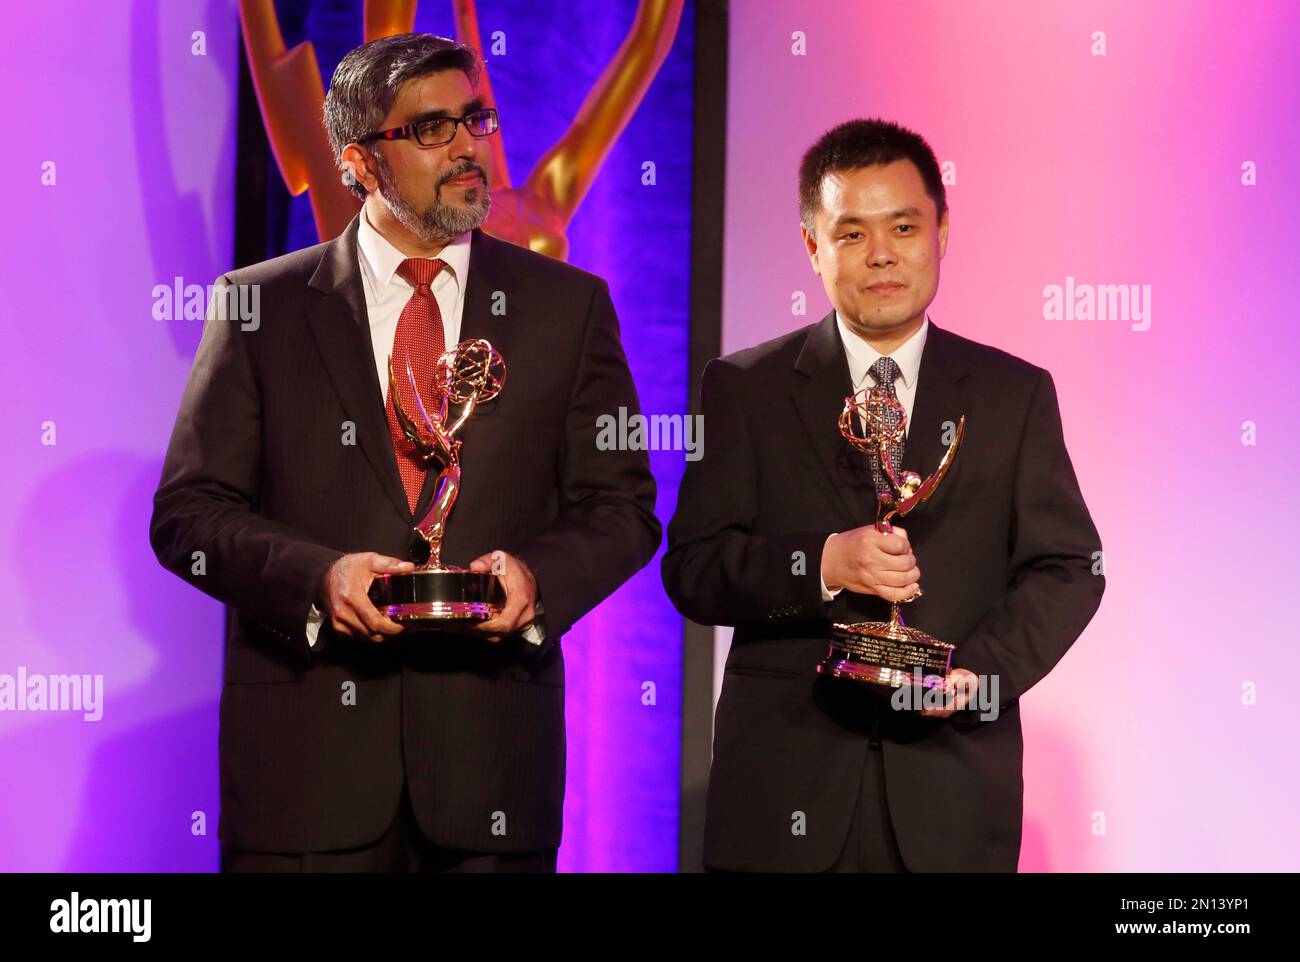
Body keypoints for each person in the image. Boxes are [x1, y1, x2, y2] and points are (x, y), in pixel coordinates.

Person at [150, 33, 660, 872]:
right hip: (305, 785)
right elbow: (189, 517)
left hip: (492, 780)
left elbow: (624, 509)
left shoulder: (568, 308)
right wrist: (318, 579)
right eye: (431, 130)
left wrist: (539, 582)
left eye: (476, 120)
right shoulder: (259, 307)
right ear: (359, 160)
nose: (470, 147)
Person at [662, 118, 1104, 872]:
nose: (881, 256)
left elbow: (1068, 567)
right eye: (851, 234)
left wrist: (978, 675)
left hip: (950, 794)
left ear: (941, 231)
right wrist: (824, 565)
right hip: (784, 792)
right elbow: (695, 569)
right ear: (812, 247)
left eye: (903, 226)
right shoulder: (744, 388)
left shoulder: (1012, 394)